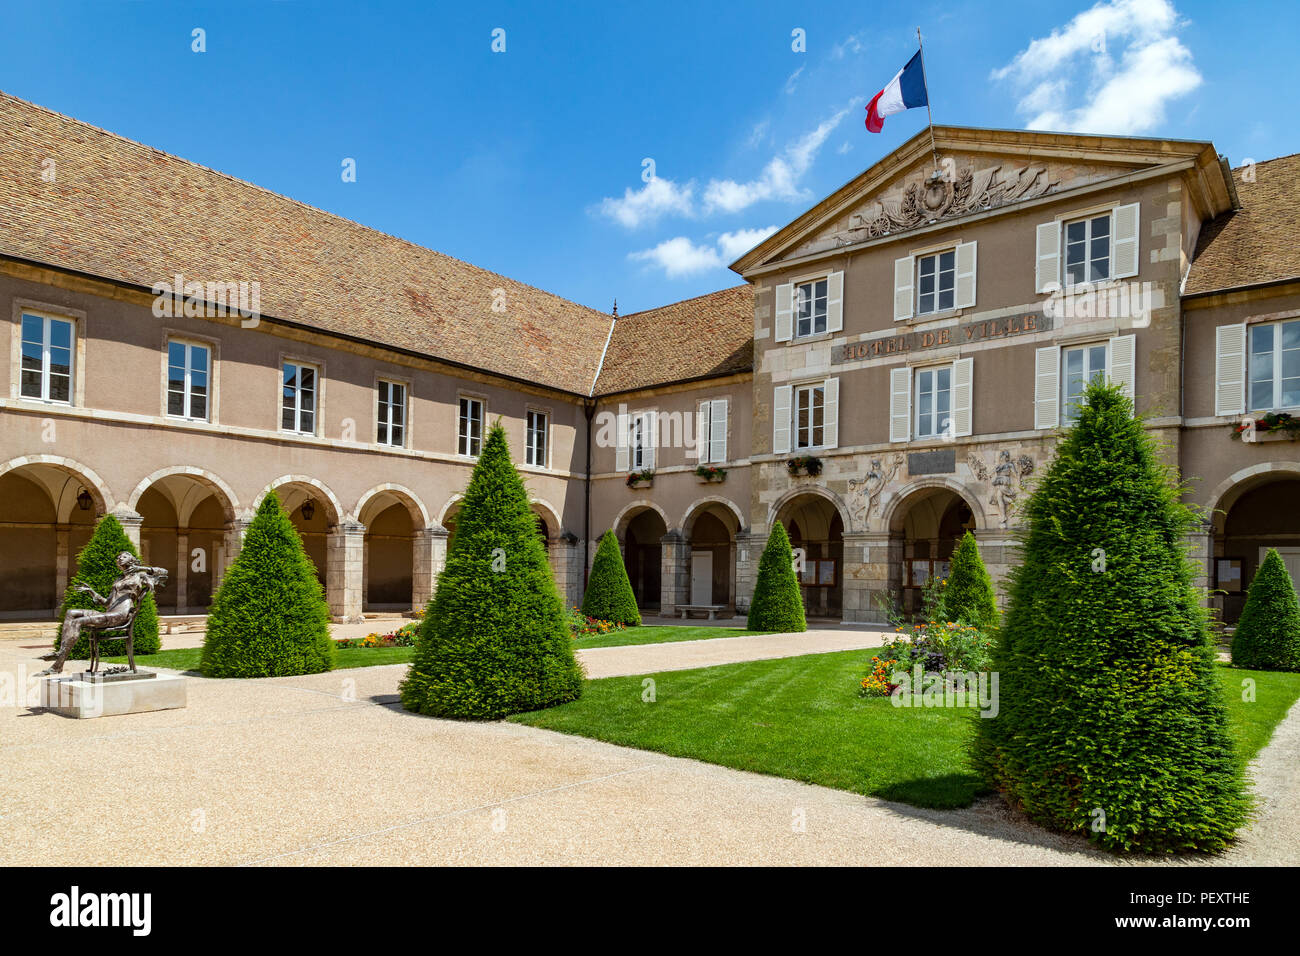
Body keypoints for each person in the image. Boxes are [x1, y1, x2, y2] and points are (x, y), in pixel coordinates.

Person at [40, 552, 168, 675]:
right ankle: (61, 654)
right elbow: (107, 603)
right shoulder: (119, 579)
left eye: (124, 557)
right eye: (118, 557)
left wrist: (141, 568)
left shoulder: (140, 576)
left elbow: (164, 573)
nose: (119, 558)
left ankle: (59, 661)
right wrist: (91, 591)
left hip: (121, 614)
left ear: (131, 560)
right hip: (110, 613)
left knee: (78, 622)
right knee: (71, 613)